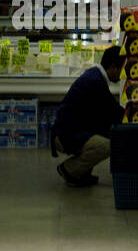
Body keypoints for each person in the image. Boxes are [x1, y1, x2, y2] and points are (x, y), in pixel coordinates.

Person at [51, 45, 124, 187]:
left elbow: (107, 111)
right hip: (66, 135)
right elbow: (112, 111)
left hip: (69, 130)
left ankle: (82, 172)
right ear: (114, 67)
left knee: (104, 133)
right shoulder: (96, 82)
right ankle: (69, 170)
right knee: (107, 146)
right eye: (122, 70)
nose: (122, 75)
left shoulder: (95, 75)